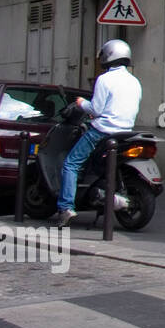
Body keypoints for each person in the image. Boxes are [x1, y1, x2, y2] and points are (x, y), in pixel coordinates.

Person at [56, 39, 142, 226]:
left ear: (108, 56)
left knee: (71, 164)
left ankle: (66, 208)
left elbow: (96, 109)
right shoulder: (134, 81)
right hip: (125, 132)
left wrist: (80, 103)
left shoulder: (104, 79)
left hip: (102, 131)